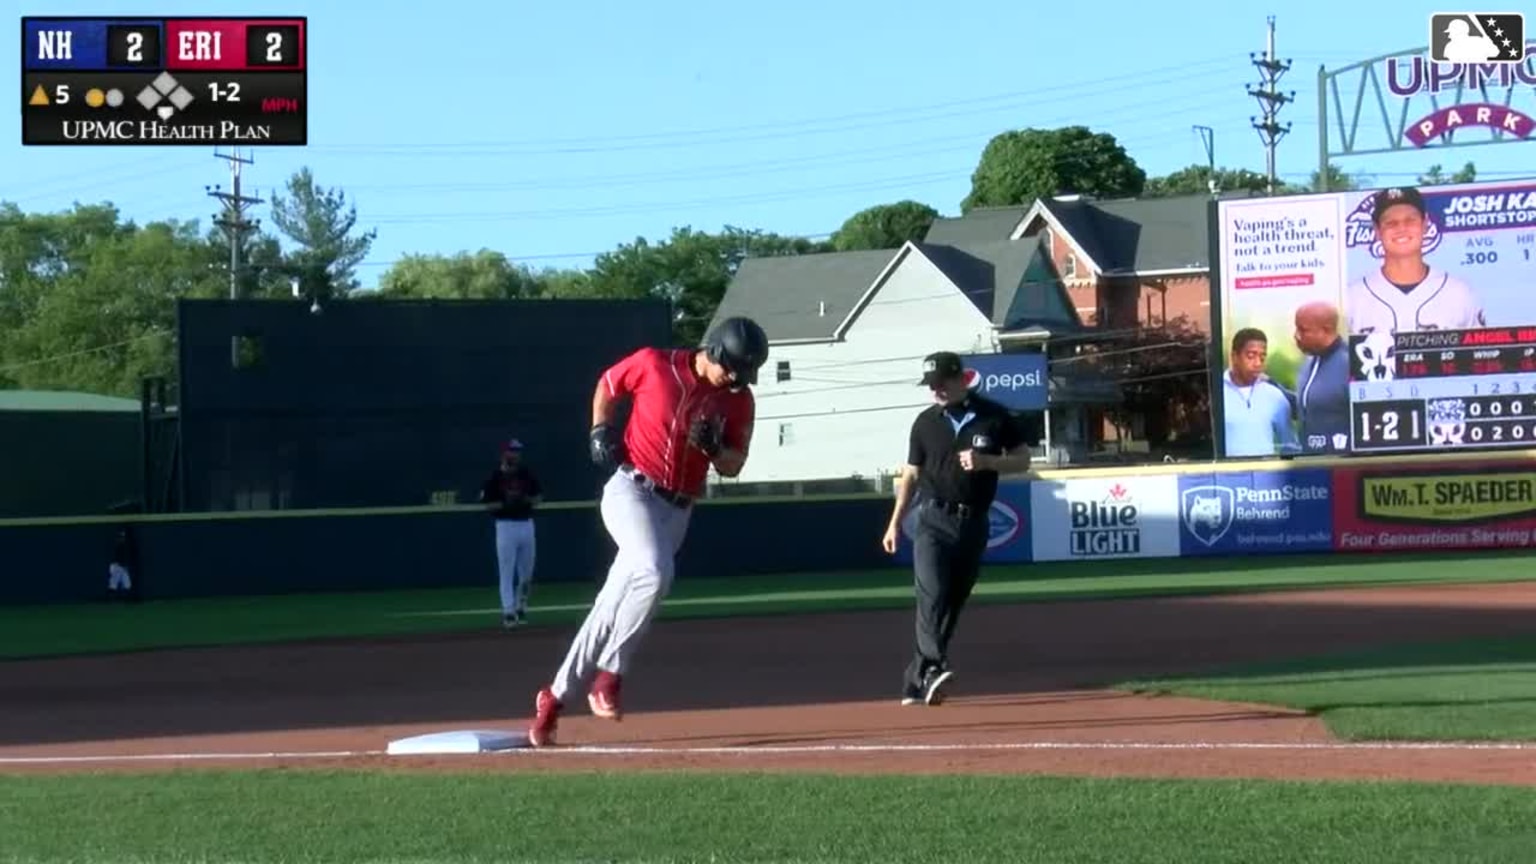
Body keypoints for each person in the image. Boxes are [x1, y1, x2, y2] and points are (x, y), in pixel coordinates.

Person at [525, 316, 769, 747]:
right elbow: (607, 384)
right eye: (732, 367)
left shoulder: (738, 400)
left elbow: (733, 466)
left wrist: (715, 449)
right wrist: (600, 428)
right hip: (631, 491)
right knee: (656, 573)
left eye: (744, 371)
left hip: (678, 510)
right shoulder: (656, 364)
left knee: (609, 607)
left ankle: (555, 697)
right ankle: (610, 675)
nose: (736, 377)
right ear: (713, 351)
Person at [880, 351, 1033, 706]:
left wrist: (988, 462)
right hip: (932, 519)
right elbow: (911, 476)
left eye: (941, 383)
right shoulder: (924, 423)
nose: (935, 390)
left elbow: (1023, 459)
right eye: (930, 385)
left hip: (975, 522)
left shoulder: (994, 416)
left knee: (952, 602)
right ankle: (934, 667)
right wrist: (895, 523)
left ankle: (916, 678)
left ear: (960, 380)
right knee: (931, 595)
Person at [1345, 186, 1484, 335]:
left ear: (1425, 225)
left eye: (1410, 220)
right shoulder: (1352, 298)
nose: (1401, 228)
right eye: (1391, 223)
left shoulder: (1459, 293)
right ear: (1377, 231)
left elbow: (1481, 354)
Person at [479, 439, 542, 628]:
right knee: (506, 572)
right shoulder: (495, 477)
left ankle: (521, 607)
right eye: (512, 451)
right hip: (505, 526)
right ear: (504, 454)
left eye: (517, 451)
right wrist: (505, 504)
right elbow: (487, 503)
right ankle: (508, 611)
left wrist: (526, 500)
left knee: (526, 573)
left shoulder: (526, 474)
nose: (515, 454)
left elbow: (539, 497)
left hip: (526, 524)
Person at [1223, 328, 1298, 458]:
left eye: (1262, 357)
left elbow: (1290, 446)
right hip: (1225, 475)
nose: (1258, 363)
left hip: (1264, 476)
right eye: (1251, 356)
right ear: (1234, 356)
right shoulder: (1217, 393)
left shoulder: (1274, 395)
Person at [1293, 302, 1351, 453]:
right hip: (1309, 462)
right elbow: (1306, 405)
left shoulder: (1349, 364)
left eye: (1303, 330)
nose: (1296, 336)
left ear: (1326, 330)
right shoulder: (1308, 363)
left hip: (1341, 465)